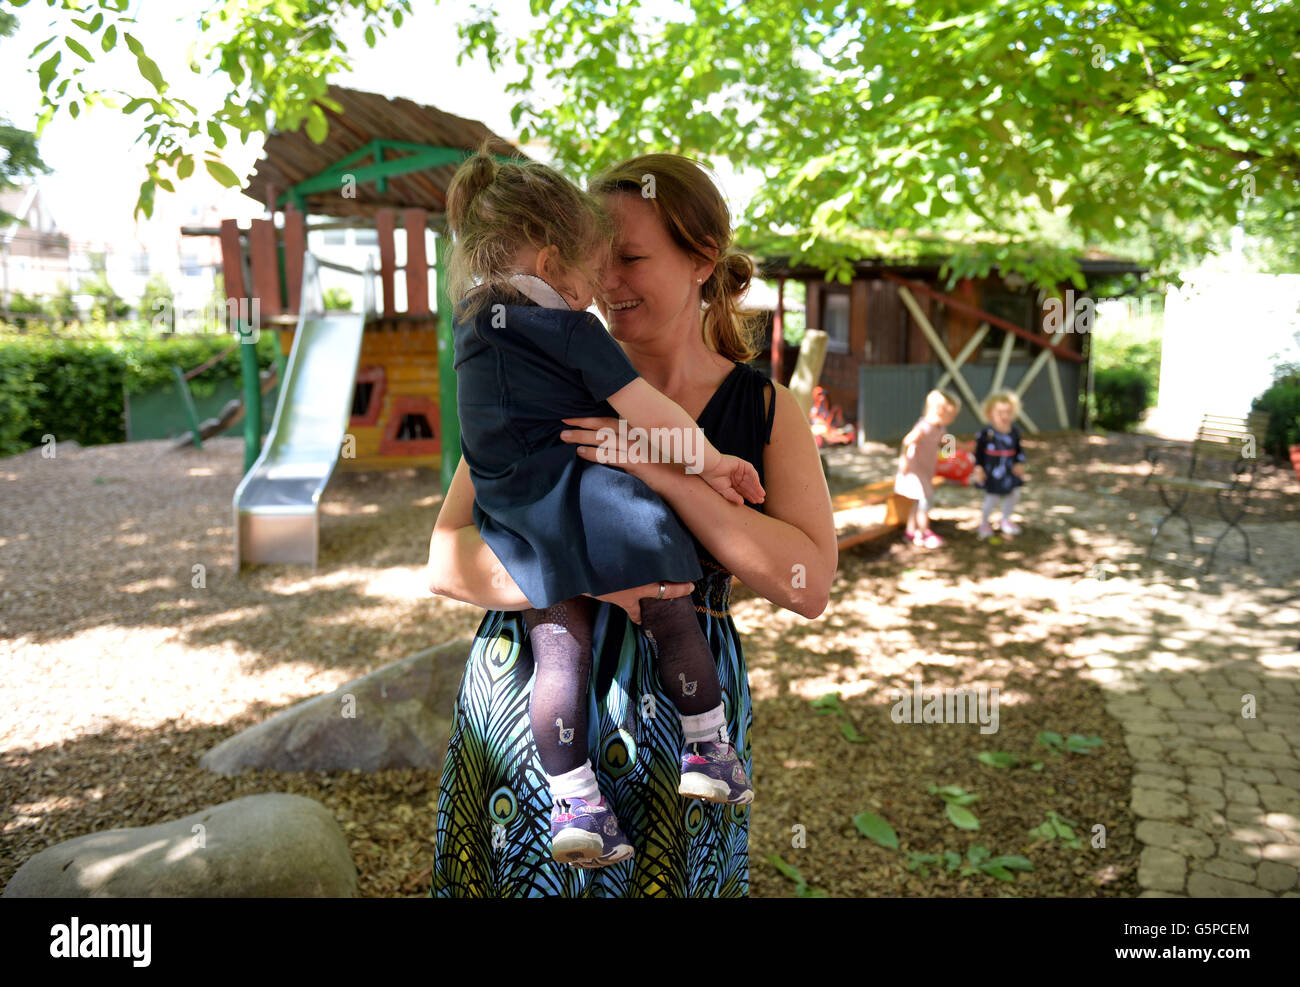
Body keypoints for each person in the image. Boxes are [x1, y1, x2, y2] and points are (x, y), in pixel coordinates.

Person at [426, 152, 837, 898]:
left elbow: (807, 584)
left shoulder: (767, 410)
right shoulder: (539, 371)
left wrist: (660, 468)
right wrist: (592, 580)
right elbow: (445, 561)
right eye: (597, 258)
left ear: (701, 261)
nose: (606, 283)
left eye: (632, 258)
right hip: (531, 699)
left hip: (682, 728)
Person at [894, 389, 959, 548]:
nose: (953, 419)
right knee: (924, 502)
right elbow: (907, 440)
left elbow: (947, 442)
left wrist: (957, 451)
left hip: (924, 471)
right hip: (915, 473)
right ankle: (924, 532)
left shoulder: (939, 428)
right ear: (940, 411)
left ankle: (911, 531)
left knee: (918, 502)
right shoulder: (925, 427)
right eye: (952, 415)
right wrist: (904, 459)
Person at [973, 390, 1027, 538]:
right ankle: (984, 523)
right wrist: (979, 469)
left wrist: (1019, 463)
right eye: (1000, 412)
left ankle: (1005, 519)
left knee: (1013, 495)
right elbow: (978, 454)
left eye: (1008, 412)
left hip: (1008, 471)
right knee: (992, 498)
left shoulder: (1014, 432)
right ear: (990, 413)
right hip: (992, 471)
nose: (1004, 416)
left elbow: (1018, 450)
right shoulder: (986, 433)